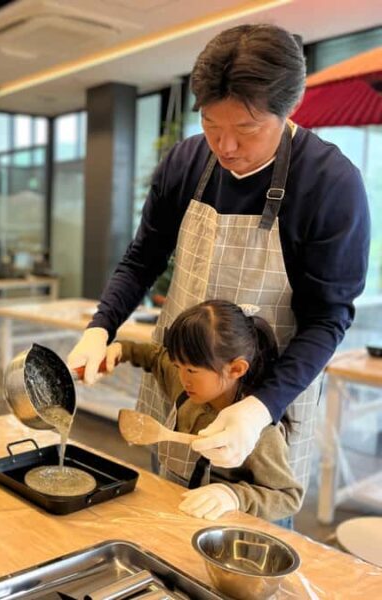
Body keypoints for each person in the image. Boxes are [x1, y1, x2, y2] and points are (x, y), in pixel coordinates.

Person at [68, 24, 370, 487]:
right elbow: (142, 258)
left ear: (289, 109)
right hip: (181, 390)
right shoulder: (185, 163)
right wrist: (100, 327)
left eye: (247, 128)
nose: (226, 147)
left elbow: (328, 318)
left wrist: (257, 409)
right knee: (164, 521)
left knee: (247, 536)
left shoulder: (330, 184)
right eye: (211, 124)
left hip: (267, 406)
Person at [107, 300, 302, 523]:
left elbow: (288, 496)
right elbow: (155, 356)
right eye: (178, 366)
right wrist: (121, 349)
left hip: (232, 533)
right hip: (185, 514)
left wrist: (235, 496)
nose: (182, 377)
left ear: (236, 369)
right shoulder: (185, 383)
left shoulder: (259, 430)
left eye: (191, 370)